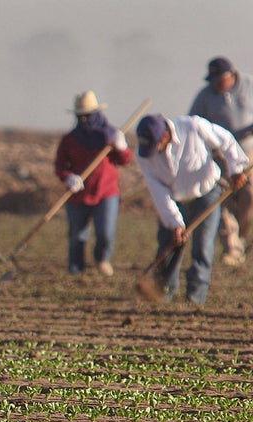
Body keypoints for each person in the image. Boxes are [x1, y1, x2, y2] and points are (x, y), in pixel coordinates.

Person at [135, 114, 249, 305]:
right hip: (174, 199)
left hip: (206, 193)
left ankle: (195, 298)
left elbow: (226, 141)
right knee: (169, 244)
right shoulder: (144, 156)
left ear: (165, 135)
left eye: (156, 145)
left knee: (202, 246)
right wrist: (175, 223)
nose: (154, 152)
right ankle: (163, 293)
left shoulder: (193, 126)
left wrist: (236, 169)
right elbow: (158, 192)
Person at [53, 90, 132, 277]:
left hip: (106, 193)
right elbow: (60, 166)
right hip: (78, 195)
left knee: (105, 233)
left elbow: (124, 160)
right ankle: (75, 269)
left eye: (86, 116)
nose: (83, 120)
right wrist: (68, 177)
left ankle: (102, 259)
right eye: (80, 116)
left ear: (95, 114)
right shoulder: (70, 139)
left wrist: (121, 147)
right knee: (77, 236)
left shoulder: (110, 136)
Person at [189, 56, 253, 266]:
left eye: (219, 80)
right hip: (219, 156)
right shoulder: (204, 96)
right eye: (212, 80)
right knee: (221, 199)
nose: (215, 84)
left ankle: (241, 234)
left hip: (247, 152)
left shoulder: (249, 86)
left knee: (249, 194)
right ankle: (232, 247)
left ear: (230, 75)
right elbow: (193, 123)